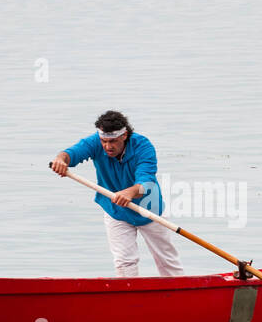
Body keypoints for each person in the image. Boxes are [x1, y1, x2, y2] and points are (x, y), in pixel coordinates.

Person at [50, 110, 185, 277]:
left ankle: (179, 295)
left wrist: (130, 192)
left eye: (112, 141)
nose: (107, 147)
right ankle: (128, 298)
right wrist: (61, 160)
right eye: (104, 141)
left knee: (166, 261)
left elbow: (146, 181)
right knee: (124, 262)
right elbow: (72, 153)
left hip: (149, 210)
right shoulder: (95, 142)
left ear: (124, 135)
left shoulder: (143, 146)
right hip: (116, 211)